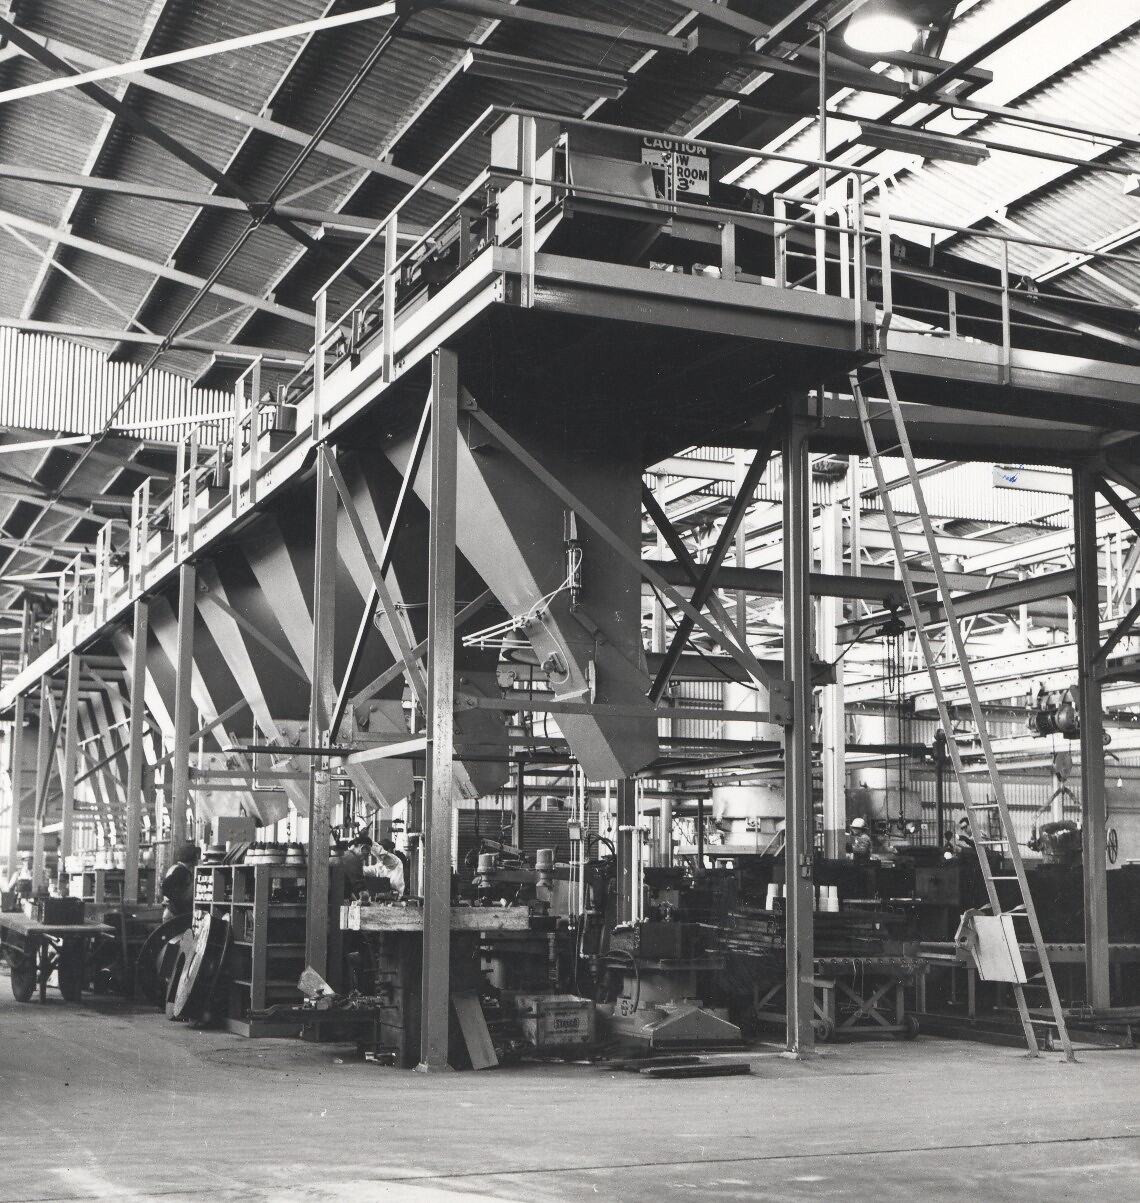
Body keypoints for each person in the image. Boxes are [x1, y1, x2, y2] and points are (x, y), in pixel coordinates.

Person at [161, 841, 200, 921]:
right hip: (174, 914)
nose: (198, 859)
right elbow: (165, 886)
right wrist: (178, 903)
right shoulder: (182, 871)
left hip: (171, 912)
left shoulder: (176, 868)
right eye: (196, 857)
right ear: (191, 858)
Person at [341, 834, 373, 899]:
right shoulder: (353, 859)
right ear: (362, 847)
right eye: (367, 851)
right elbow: (359, 886)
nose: (366, 857)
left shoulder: (346, 854)